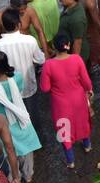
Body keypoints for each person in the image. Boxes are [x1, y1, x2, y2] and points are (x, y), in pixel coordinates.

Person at [0, 53, 42, 183]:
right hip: (21, 119)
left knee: (10, 153)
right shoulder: (17, 77)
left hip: (3, 126)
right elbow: (19, 92)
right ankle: (28, 175)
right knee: (27, 150)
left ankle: (15, 177)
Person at [39, 34, 93, 170]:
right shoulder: (77, 59)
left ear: (53, 47)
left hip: (61, 104)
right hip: (79, 99)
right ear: (68, 45)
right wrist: (89, 90)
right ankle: (87, 146)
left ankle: (71, 161)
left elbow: (45, 88)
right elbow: (86, 81)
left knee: (64, 131)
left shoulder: (48, 65)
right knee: (82, 122)